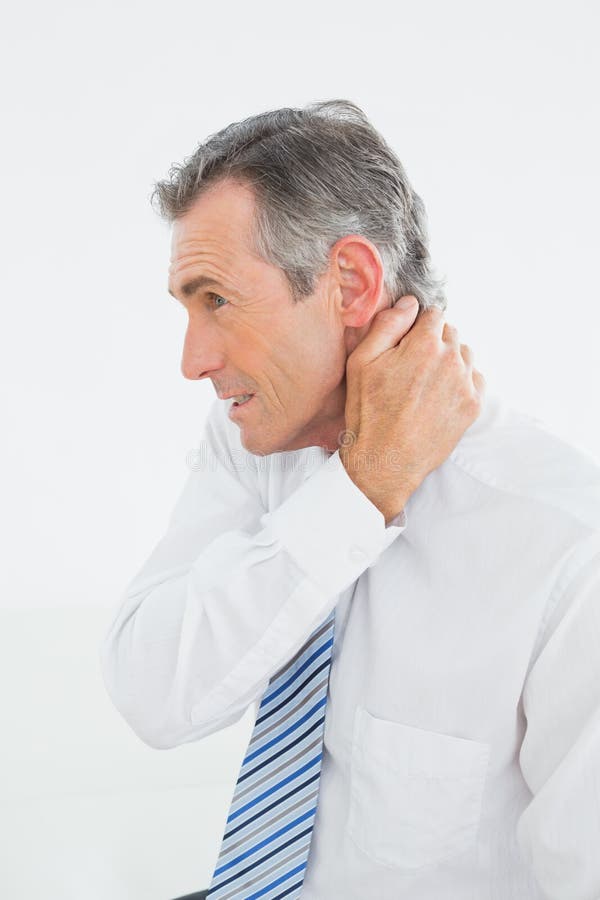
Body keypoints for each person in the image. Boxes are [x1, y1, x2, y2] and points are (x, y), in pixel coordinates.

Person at [99, 100, 600, 899]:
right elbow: (156, 694)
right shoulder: (253, 438)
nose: (194, 360)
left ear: (349, 283)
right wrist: (360, 491)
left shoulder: (567, 550)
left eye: (216, 300)